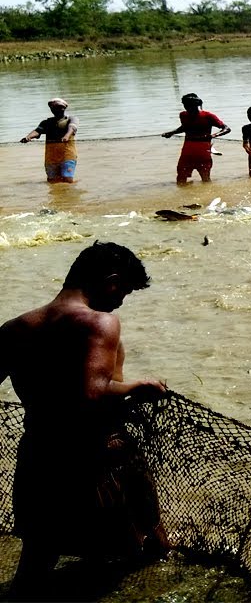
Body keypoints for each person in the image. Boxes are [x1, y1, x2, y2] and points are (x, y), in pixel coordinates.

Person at [0, 242, 169, 596]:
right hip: (95, 460)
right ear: (111, 281)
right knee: (136, 558)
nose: (121, 301)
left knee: (34, 568)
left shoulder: (15, 328)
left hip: (38, 457)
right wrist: (139, 384)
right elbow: (92, 391)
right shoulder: (99, 322)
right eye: (124, 291)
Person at [161, 93, 231, 184]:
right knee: (181, 177)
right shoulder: (183, 115)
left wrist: (214, 135)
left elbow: (226, 128)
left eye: (190, 105)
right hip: (187, 149)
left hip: (203, 150)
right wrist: (172, 132)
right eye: (185, 105)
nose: (187, 107)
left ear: (197, 105)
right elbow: (185, 127)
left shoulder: (208, 116)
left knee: (205, 177)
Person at [20, 98, 79, 183]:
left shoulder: (71, 119)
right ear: (51, 109)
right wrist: (28, 137)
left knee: (67, 179)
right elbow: (37, 131)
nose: (58, 110)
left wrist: (67, 136)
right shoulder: (46, 123)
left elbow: (72, 127)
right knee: (52, 181)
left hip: (67, 155)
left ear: (64, 108)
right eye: (54, 108)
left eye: (60, 107)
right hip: (51, 157)